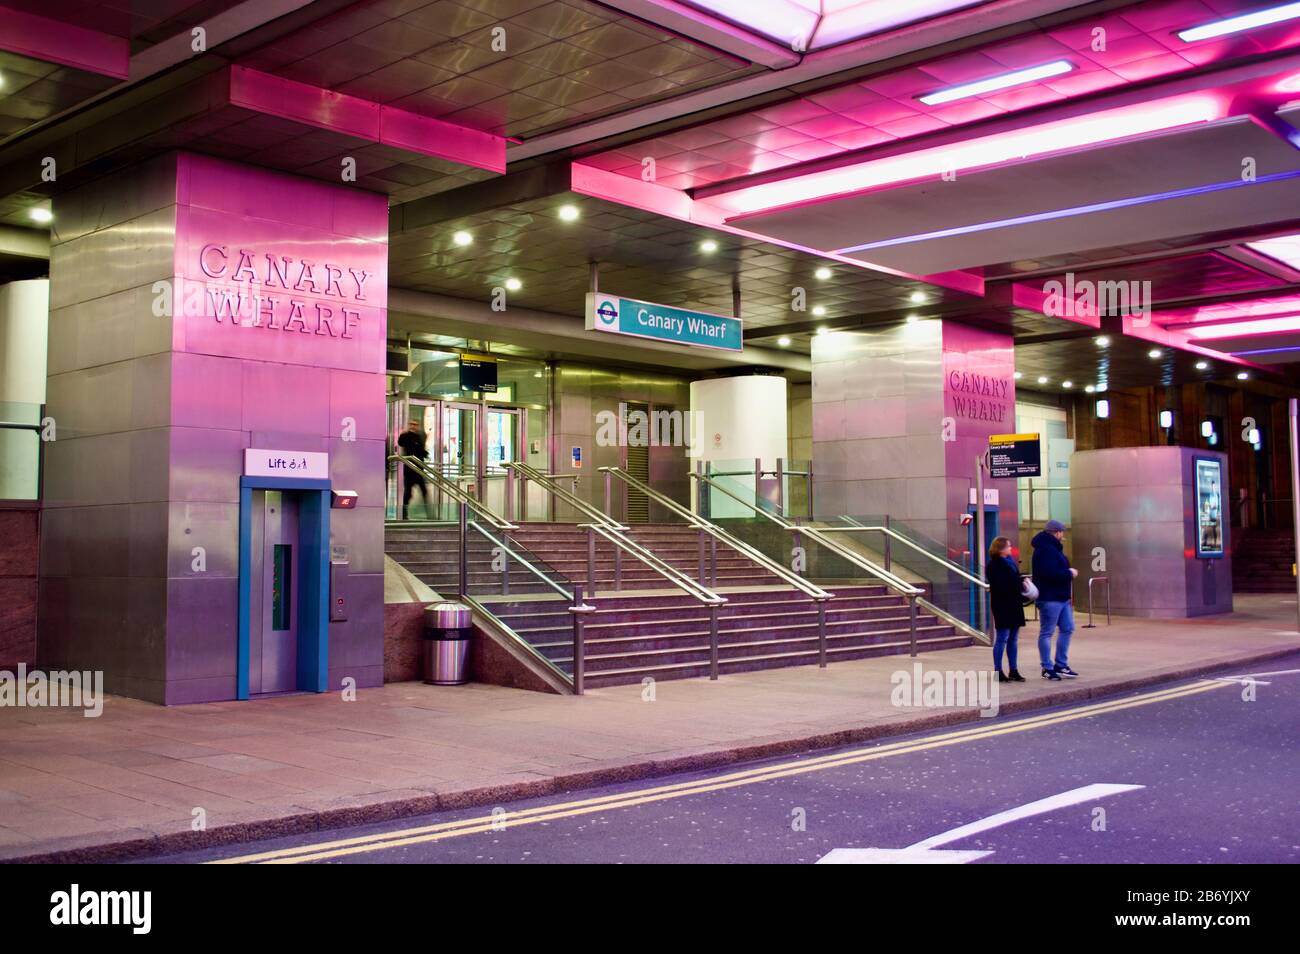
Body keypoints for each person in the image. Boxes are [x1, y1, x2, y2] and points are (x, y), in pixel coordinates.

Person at [1031, 519, 1078, 680]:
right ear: (1056, 532)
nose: (1063, 535)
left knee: (1068, 628)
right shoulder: (1045, 550)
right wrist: (1069, 573)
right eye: (1062, 532)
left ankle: (1061, 664)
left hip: (1061, 597)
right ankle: (1047, 667)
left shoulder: (1053, 548)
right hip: (1049, 597)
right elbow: (1049, 573)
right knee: (1047, 632)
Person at [985, 536, 1026, 683]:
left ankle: (1013, 670)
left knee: (1013, 638)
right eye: (1008, 546)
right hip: (1002, 604)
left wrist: (1022, 582)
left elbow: (1015, 579)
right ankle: (998, 670)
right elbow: (1001, 584)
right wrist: (1018, 584)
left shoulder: (1011, 563)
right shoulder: (993, 565)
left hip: (1014, 603)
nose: (1010, 548)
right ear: (1000, 548)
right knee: (1002, 638)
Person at [396, 420, 429, 520]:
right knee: (408, 493)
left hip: (419, 469)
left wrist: (425, 454)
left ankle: (429, 513)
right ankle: (404, 513)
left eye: (415, 425)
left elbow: (421, 451)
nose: (413, 426)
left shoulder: (419, 437)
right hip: (410, 469)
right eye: (412, 424)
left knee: (424, 491)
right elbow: (401, 443)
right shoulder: (405, 436)